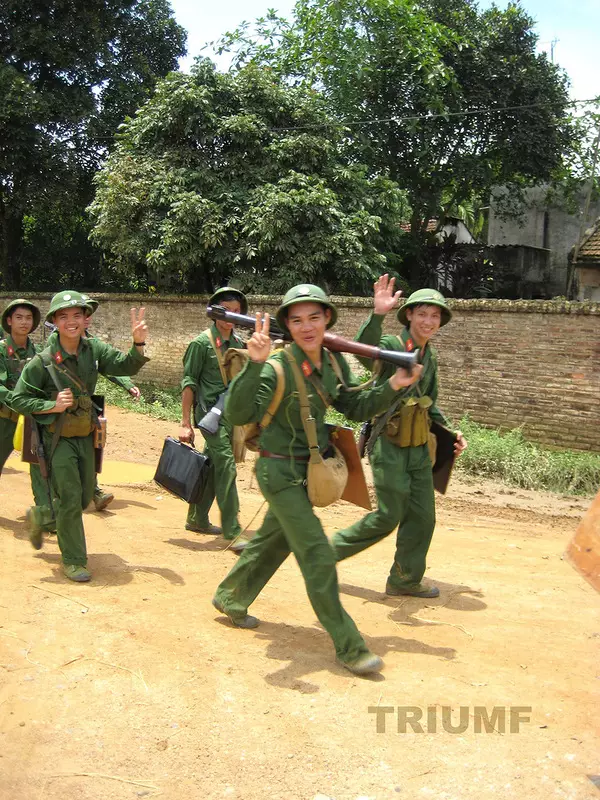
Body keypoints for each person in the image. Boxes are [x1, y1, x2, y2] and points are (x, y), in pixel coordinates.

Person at [212, 284, 422, 676]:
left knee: (274, 542)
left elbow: (353, 405)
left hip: (309, 470)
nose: (306, 326)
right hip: (278, 472)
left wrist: (393, 386)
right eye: (296, 319)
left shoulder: (332, 363)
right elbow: (237, 413)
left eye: (314, 317)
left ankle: (230, 596)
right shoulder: (274, 365)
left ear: (327, 319)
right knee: (316, 553)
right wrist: (254, 363)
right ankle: (349, 645)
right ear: (287, 326)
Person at [331, 276, 467, 598]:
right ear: (408, 315)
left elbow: (430, 404)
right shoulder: (394, 346)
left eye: (435, 316)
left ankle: (405, 579)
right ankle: (324, 553)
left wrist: (451, 435)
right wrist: (377, 314)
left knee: (423, 517)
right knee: (388, 515)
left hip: (420, 448)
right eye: (422, 314)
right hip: (389, 443)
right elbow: (365, 352)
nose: (429, 321)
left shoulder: (429, 357)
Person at [9, 290, 149, 582]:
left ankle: (43, 516)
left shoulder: (94, 350)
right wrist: (51, 405)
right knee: (71, 495)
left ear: (86, 320)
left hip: (86, 434)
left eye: (77, 315)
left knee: (85, 495)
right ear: (55, 322)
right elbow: (18, 399)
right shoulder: (43, 361)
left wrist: (137, 344)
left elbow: (122, 366)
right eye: (64, 316)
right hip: (56, 438)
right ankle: (74, 559)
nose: (71, 321)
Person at [179, 287, 248, 553]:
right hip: (209, 417)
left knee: (211, 467)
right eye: (225, 310)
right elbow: (189, 383)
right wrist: (186, 422)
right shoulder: (201, 343)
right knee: (227, 467)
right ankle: (232, 529)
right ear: (214, 312)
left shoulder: (240, 346)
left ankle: (197, 518)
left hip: (230, 418)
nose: (231, 316)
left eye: (237, 312)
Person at [81, 294, 141, 512]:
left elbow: (111, 365)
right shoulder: (56, 343)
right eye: (81, 313)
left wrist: (127, 383)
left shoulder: (93, 344)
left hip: (86, 406)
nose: (86, 318)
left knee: (93, 445)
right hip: (60, 407)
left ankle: (94, 491)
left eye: (88, 315)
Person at [0, 299, 54, 530]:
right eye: (19, 317)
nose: (24, 322)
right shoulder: (1, 350)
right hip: (4, 420)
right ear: (9, 321)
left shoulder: (39, 353)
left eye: (28, 318)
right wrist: (20, 401)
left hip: (31, 420)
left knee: (39, 465)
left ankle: (45, 516)